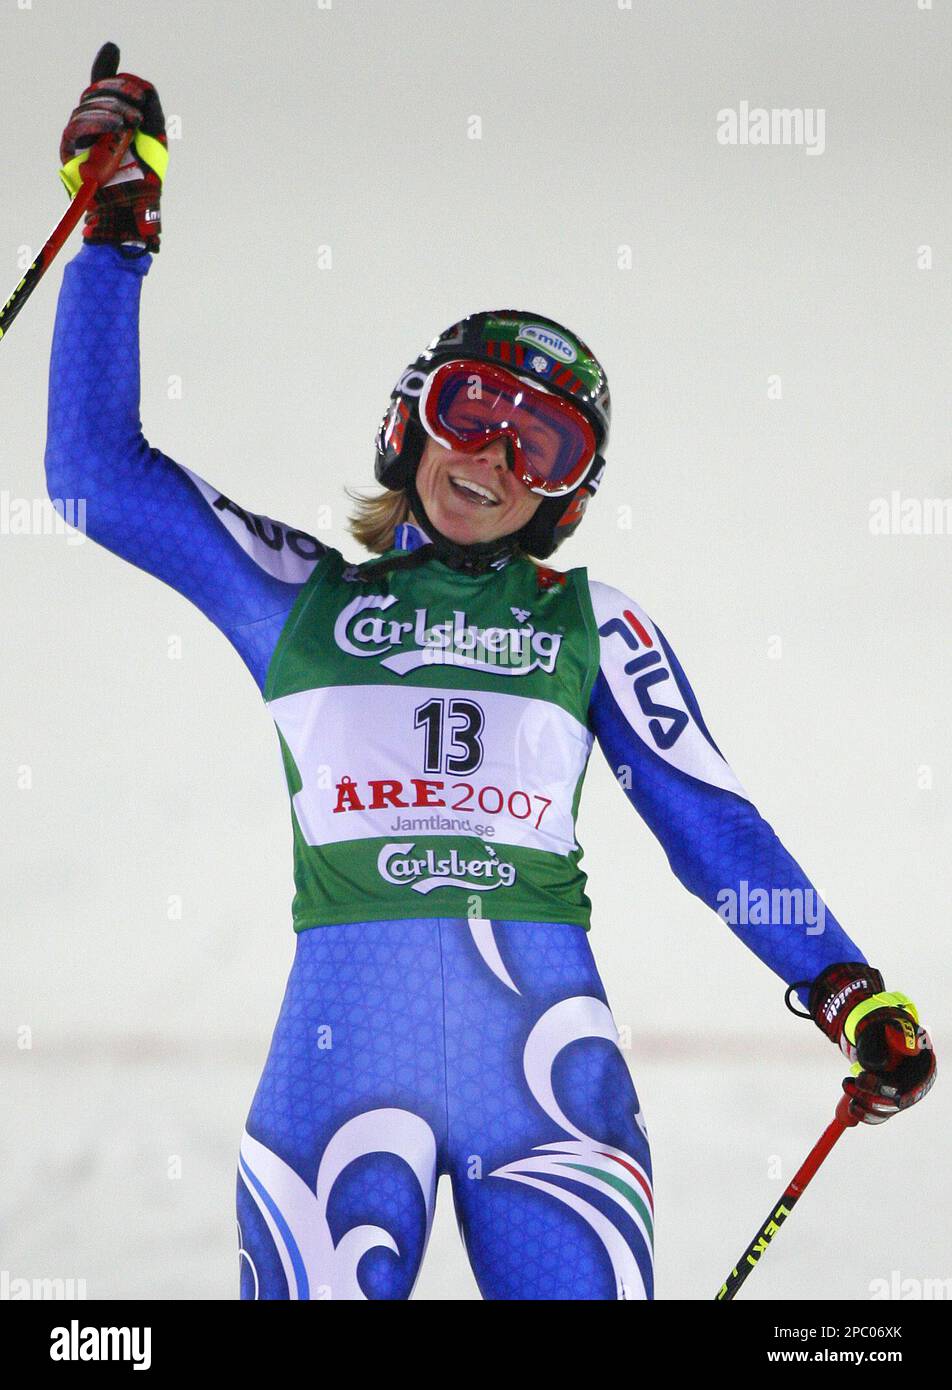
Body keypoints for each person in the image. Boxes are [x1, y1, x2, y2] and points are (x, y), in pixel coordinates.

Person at [44, 65, 935, 1302]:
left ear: (568, 494)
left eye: (543, 441)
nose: (495, 455)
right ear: (409, 422)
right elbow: (93, 469)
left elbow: (711, 823)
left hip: (549, 1080)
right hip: (339, 1061)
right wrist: (116, 231)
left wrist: (843, 984)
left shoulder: (593, 623)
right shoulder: (297, 595)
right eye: (475, 409)